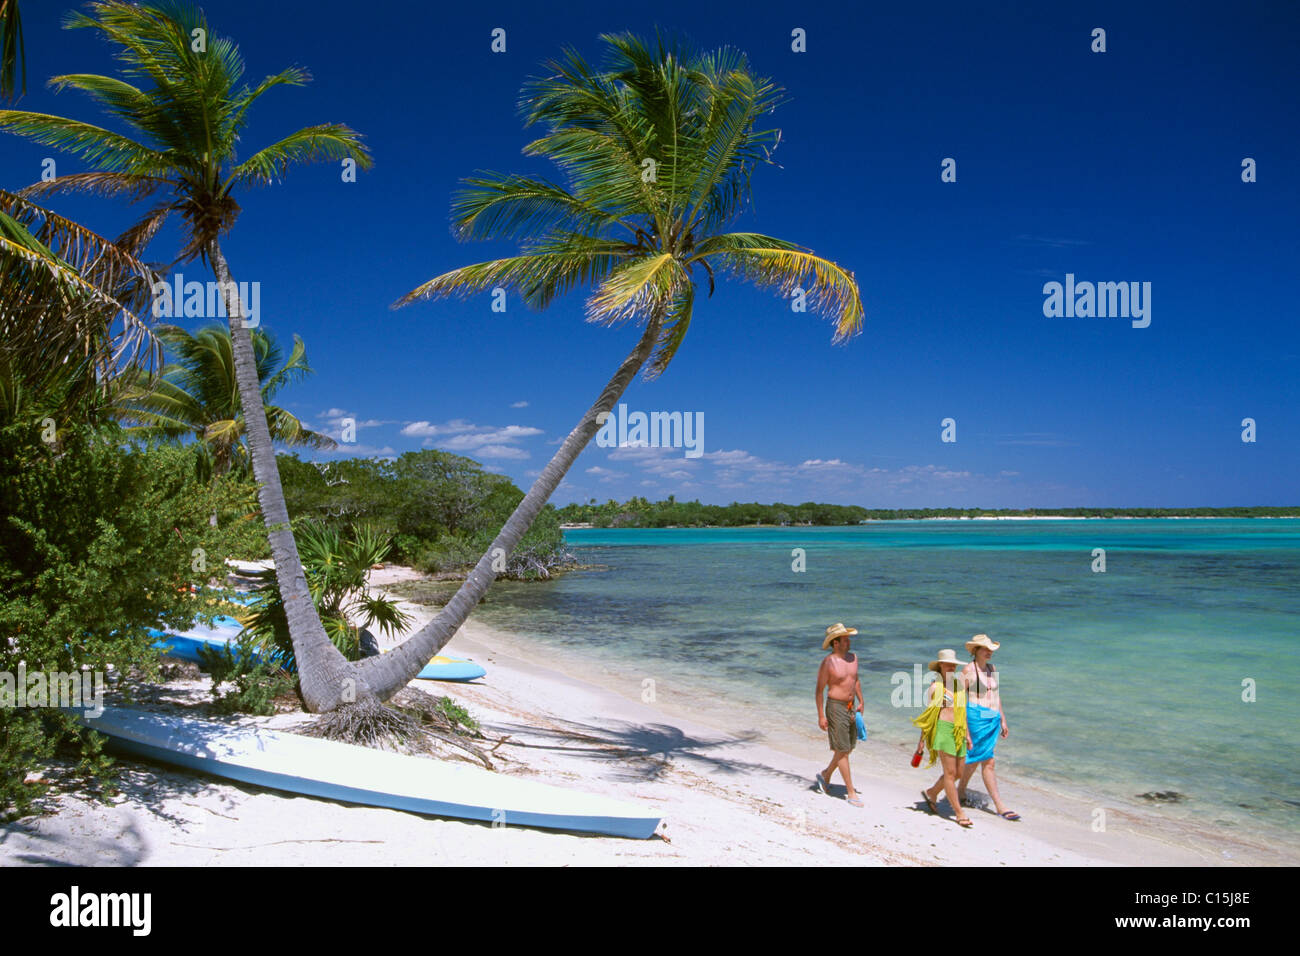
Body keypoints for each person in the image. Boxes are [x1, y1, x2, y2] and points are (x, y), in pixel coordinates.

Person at [958, 634, 1019, 821]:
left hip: (992, 719)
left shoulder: (993, 669)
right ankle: (1000, 806)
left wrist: (1003, 719)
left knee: (976, 758)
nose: (989, 652)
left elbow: (996, 695)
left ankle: (959, 792)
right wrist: (964, 729)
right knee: (988, 761)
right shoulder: (969, 669)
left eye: (991, 649)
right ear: (976, 650)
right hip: (976, 718)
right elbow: (958, 699)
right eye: (986, 649)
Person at [913, 648, 973, 828]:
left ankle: (932, 792)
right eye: (948, 664)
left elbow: (963, 713)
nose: (951, 667)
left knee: (959, 773)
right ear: (940, 666)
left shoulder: (958, 686)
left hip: (958, 731)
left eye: (953, 665)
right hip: (942, 730)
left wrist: (968, 735)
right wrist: (921, 741)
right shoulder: (935, 688)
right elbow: (929, 716)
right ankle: (959, 813)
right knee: (950, 773)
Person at [815, 622, 864, 807]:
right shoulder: (828, 663)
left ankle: (826, 775)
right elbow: (819, 690)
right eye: (845, 639)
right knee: (842, 750)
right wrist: (821, 715)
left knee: (848, 748)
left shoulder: (853, 658)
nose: (849, 642)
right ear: (836, 643)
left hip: (851, 706)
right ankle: (850, 792)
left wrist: (861, 700)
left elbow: (855, 680)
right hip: (835, 707)